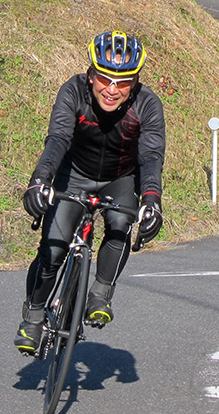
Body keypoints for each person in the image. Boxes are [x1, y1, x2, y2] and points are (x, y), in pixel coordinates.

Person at [14, 31, 166, 356]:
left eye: (123, 82)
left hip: (120, 178)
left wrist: (152, 201)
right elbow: (57, 139)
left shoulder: (148, 104)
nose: (111, 89)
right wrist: (39, 180)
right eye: (104, 78)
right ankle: (35, 314)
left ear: (135, 82)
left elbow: (151, 157)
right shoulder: (73, 91)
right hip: (74, 175)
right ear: (91, 74)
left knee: (119, 222)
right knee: (53, 250)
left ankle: (100, 292)